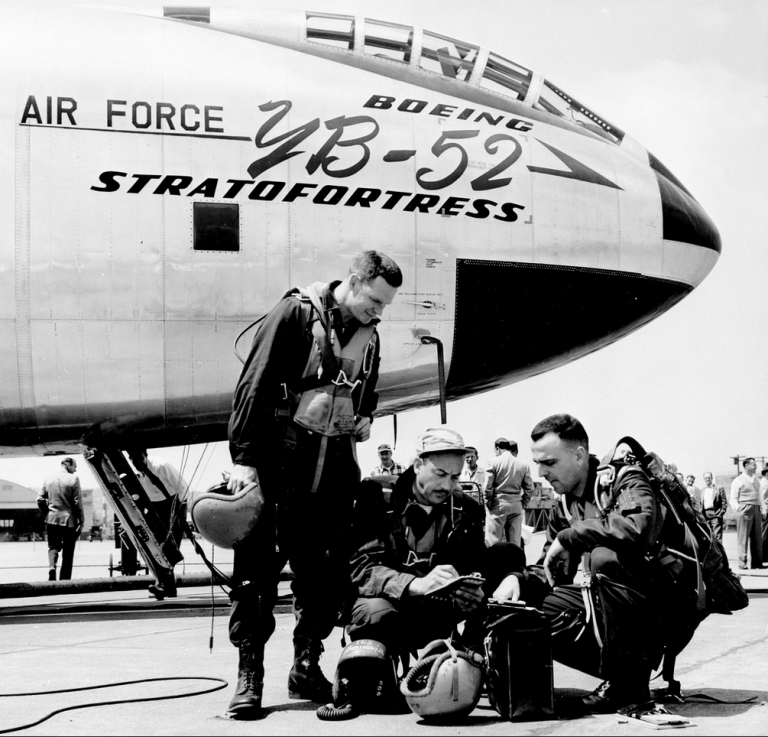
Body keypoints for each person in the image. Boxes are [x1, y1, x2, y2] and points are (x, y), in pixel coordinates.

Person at [225, 250, 402, 719]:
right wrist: (244, 460)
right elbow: (253, 386)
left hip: (332, 478)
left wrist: (363, 419)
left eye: (385, 306)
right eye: (374, 301)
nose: (378, 312)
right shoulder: (295, 313)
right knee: (256, 578)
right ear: (353, 280)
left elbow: (366, 393)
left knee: (323, 578)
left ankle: (306, 664)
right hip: (278, 469)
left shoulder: (371, 337)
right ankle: (250, 675)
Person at [509, 414, 667, 714]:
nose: (541, 473)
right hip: (606, 604)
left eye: (550, 463)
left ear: (579, 456)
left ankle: (629, 685)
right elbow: (550, 567)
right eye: (538, 463)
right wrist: (518, 580)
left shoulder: (624, 479)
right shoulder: (566, 504)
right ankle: (618, 675)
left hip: (663, 605)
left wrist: (572, 536)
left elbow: (636, 528)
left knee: (603, 558)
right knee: (527, 608)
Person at [347, 427, 525, 655]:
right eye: (440, 474)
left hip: (441, 608)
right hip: (393, 606)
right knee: (375, 615)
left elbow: (475, 563)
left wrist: (474, 594)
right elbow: (362, 569)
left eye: (455, 477)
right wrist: (414, 584)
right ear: (418, 465)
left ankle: (471, 650)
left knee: (506, 556)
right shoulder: (377, 497)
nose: (447, 486)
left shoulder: (465, 507)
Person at [127, 447, 190, 599]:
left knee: (169, 548)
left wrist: (180, 515)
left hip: (174, 504)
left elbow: (183, 487)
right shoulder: (134, 472)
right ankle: (166, 587)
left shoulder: (160, 466)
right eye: (132, 459)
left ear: (146, 455)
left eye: (139, 458)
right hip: (155, 508)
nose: (136, 463)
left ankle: (164, 586)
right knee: (157, 546)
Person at [37, 457, 84, 581]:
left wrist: (48, 513)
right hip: (69, 521)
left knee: (53, 546)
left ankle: (52, 567)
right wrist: (81, 519)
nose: (75, 469)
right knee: (68, 552)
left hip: (52, 519)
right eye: (75, 466)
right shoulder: (74, 478)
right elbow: (77, 502)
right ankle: (64, 580)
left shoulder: (48, 478)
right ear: (68, 465)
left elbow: (40, 499)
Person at [484, 438, 533, 547]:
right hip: (516, 505)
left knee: (493, 542)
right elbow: (530, 488)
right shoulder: (523, 464)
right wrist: (523, 503)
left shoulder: (493, 462)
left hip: (498, 505)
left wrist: (488, 503)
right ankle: (514, 564)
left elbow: (487, 488)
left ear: (497, 449)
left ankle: (494, 564)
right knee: (514, 543)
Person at [730, 458, 764, 569]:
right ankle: (742, 563)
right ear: (746, 465)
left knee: (757, 537)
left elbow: (760, 497)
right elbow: (733, 498)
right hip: (744, 508)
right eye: (753, 465)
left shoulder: (757, 480)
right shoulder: (738, 480)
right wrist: (739, 509)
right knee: (743, 537)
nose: (756, 467)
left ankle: (757, 563)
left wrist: (762, 510)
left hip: (756, 508)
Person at [700, 471, 727, 543]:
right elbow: (701, 503)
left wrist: (720, 513)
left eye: (709, 477)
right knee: (707, 535)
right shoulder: (703, 490)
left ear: (712, 478)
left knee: (717, 535)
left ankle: (720, 553)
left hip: (715, 513)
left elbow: (724, 502)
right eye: (706, 478)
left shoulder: (718, 489)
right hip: (705, 514)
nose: (707, 479)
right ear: (704, 479)